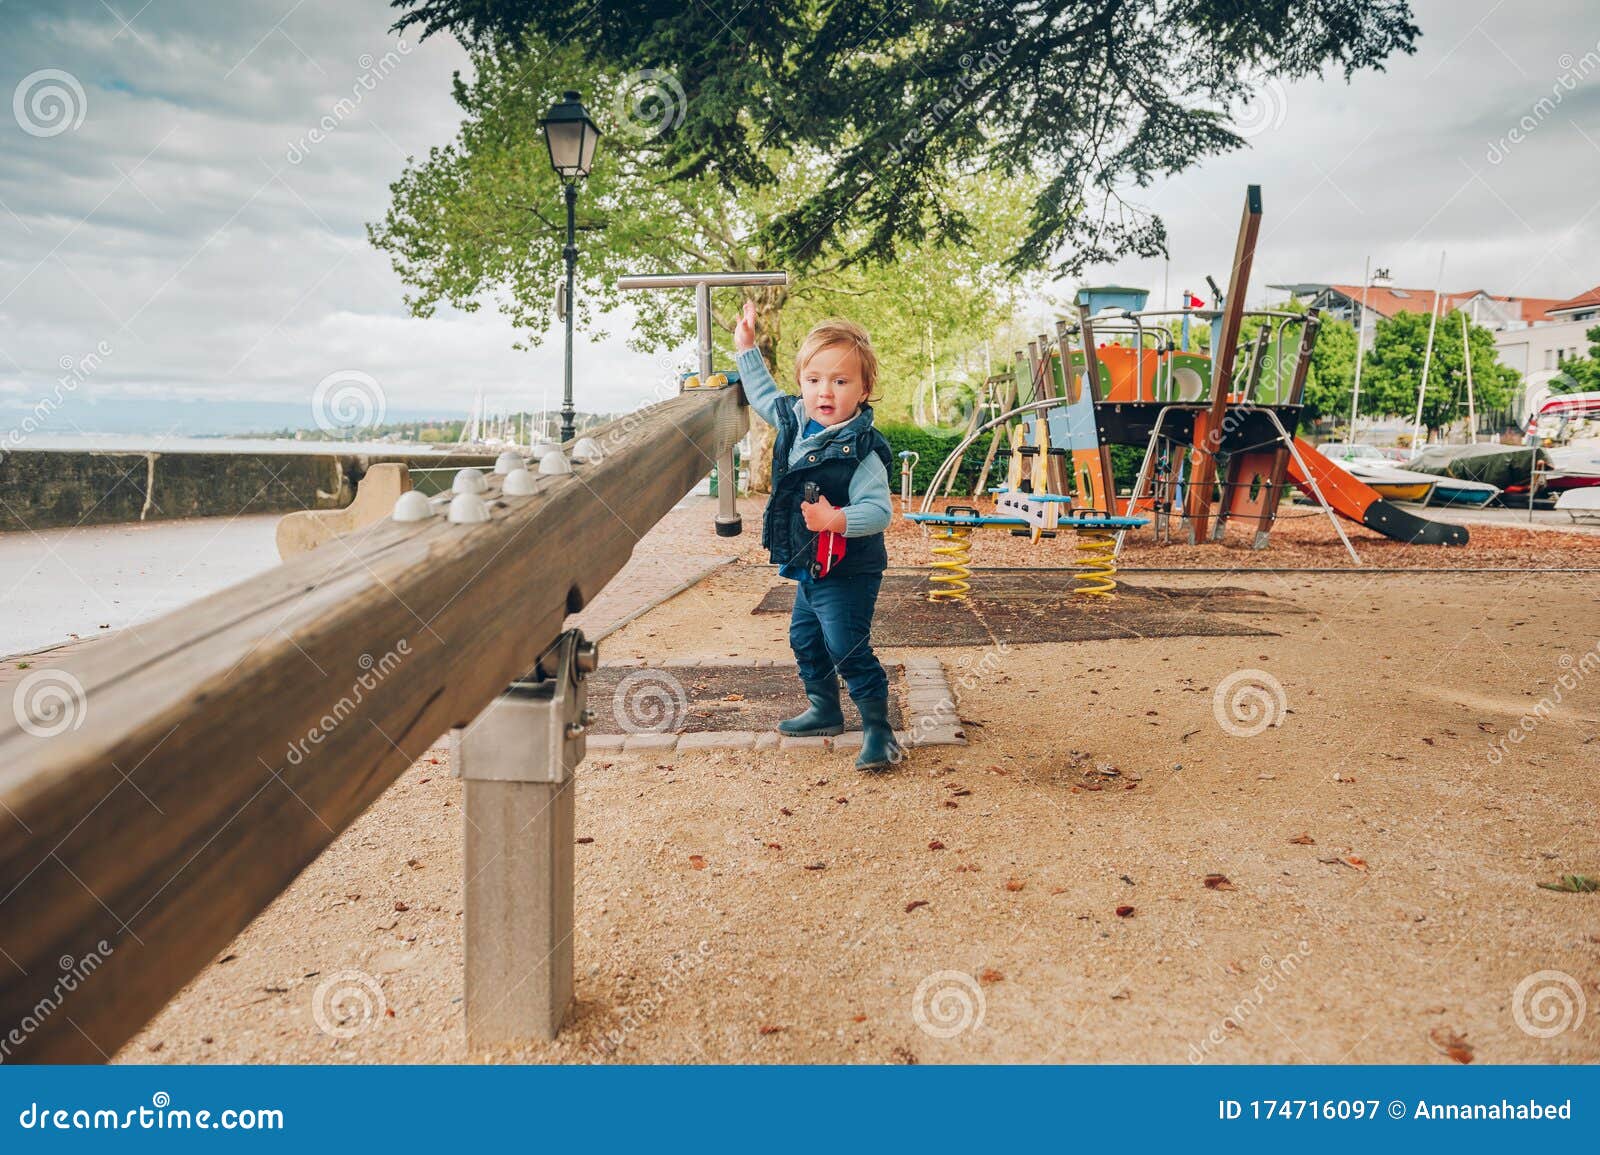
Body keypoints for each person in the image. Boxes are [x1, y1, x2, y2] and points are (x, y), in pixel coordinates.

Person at [733, 301, 902, 771]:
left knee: (846, 644)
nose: (824, 391)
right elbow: (764, 395)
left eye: (840, 381)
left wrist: (836, 520)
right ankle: (825, 709)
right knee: (805, 638)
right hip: (811, 562)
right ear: (802, 384)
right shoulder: (794, 418)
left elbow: (878, 511)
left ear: (865, 389)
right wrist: (746, 349)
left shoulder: (863, 450)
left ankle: (878, 729)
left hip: (849, 568)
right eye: (814, 380)